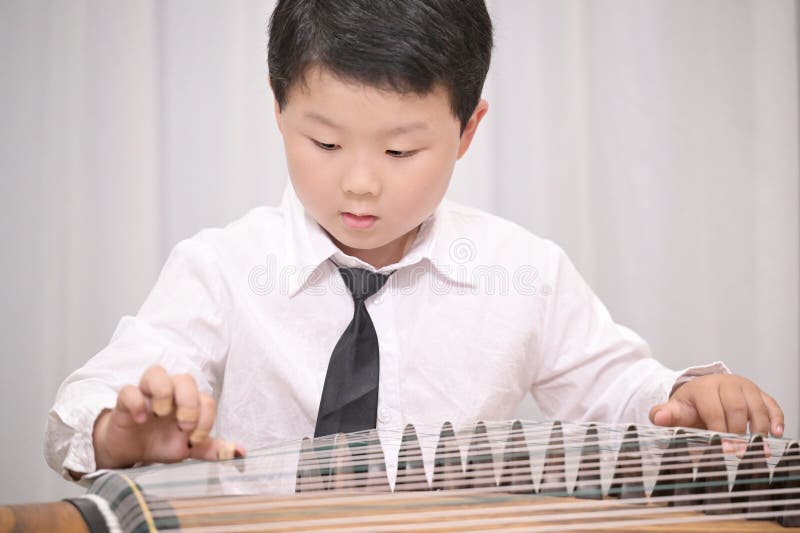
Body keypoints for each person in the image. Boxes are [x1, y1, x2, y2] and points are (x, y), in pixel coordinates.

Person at [45, 0, 784, 481]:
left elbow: (623, 392)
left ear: (468, 130)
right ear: (278, 110)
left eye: (400, 152)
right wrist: (122, 433)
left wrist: (688, 396)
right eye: (325, 142)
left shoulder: (523, 273)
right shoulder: (222, 269)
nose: (360, 184)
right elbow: (81, 411)